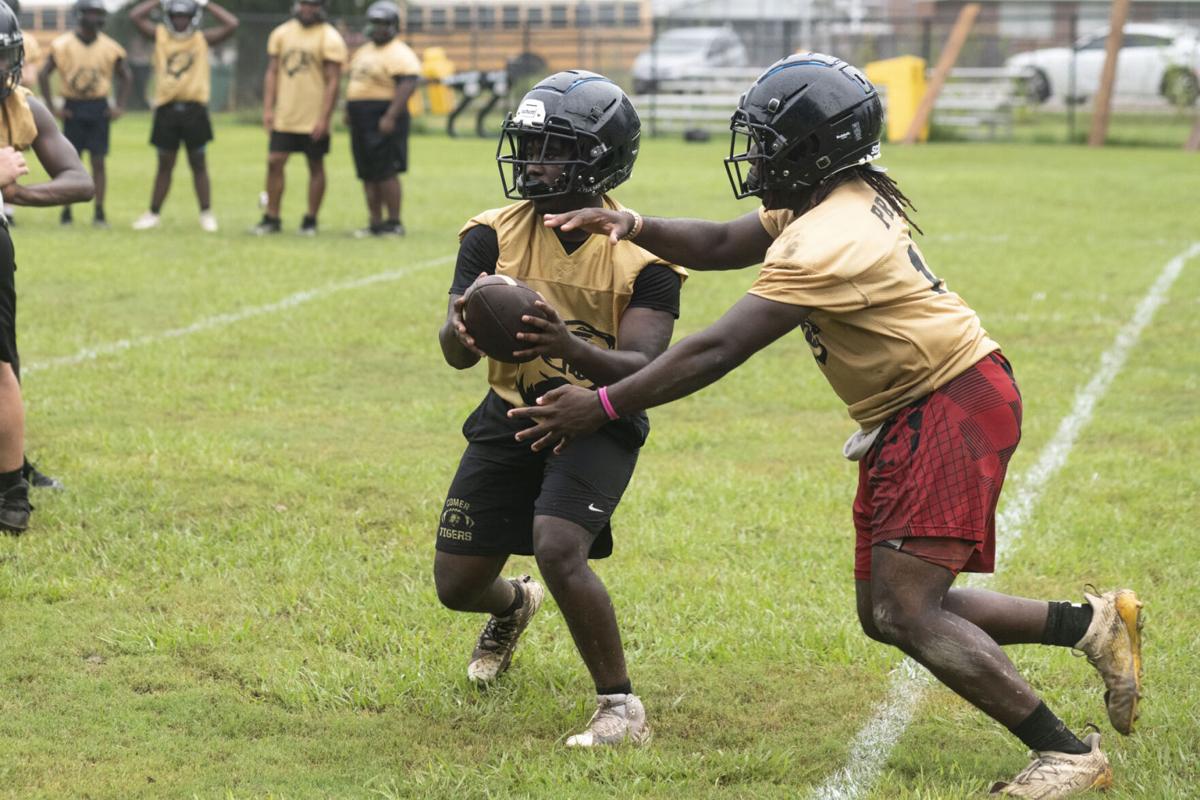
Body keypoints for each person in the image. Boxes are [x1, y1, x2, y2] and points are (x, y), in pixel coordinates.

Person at [510, 54, 1142, 796]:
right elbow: (721, 244)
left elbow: (718, 348)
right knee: (886, 611)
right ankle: (1090, 625)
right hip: (924, 403)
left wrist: (605, 403)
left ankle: (1066, 753)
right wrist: (636, 224)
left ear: (813, 150)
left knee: (907, 611)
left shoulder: (827, 237)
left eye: (767, 142)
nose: (753, 156)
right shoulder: (829, 196)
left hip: (949, 403)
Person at [436, 71, 685, 747]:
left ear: (600, 159)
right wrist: (460, 330)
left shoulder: (644, 260)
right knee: (457, 585)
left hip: (599, 415)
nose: (532, 160)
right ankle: (516, 604)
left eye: (552, 147)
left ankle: (620, 708)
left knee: (557, 545)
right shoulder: (490, 234)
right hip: (511, 410)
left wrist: (565, 345)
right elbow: (455, 354)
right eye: (528, 143)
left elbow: (643, 369)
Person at [0, 2, 94, 531]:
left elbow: (80, 180)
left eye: (0, 57)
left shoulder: (22, 106)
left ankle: (12, 468)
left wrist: (20, 193)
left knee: (3, 361)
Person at [127, 0, 238, 233]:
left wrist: (205, 4)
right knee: (164, 164)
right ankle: (153, 213)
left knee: (198, 162)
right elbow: (135, 16)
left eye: (185, 16)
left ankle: (206, 213)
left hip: (194, 110)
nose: (180, 21)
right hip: (166, 110)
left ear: (192, 18)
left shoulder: (200, 39)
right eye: (176, 16)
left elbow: (232, 24)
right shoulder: (161, 36)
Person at [253, 0, 345, 236]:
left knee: (315, 164)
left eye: (313, 4)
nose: (307, 8)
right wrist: (268, 109)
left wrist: (324, 118)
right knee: (275, 161)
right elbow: (272, 71)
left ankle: (310, 220)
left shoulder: (329, 37)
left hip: (313, 116)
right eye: (304, 3)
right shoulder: (281, 33)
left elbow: (333, 81)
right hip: (286, 114)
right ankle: (271, 217)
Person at [37, 0, 129, 228]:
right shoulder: (63, 44)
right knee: (69, 163)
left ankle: (99, 212)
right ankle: (66, 211)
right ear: (80, 14)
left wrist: (119, 105)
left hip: (98, 107)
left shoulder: (110, 47)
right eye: (90, 13)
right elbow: (43, 74)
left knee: (98, 161)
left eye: (98, 13)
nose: (95, 18)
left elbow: (126, 76)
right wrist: (52, 107)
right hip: (73, 108)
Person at [343, 0, 418, 238]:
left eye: (383, 24)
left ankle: (393, 222)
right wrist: (348, 109)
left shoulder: (400, 52)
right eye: (374, 23)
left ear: (393, 26)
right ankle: (374, 222)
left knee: (386, 171)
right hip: (361, 118)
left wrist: (390, 116)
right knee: (367, 172)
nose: (378, 28)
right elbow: (355, 82)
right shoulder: (364, 51)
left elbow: (407, 84)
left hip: (384, 115)